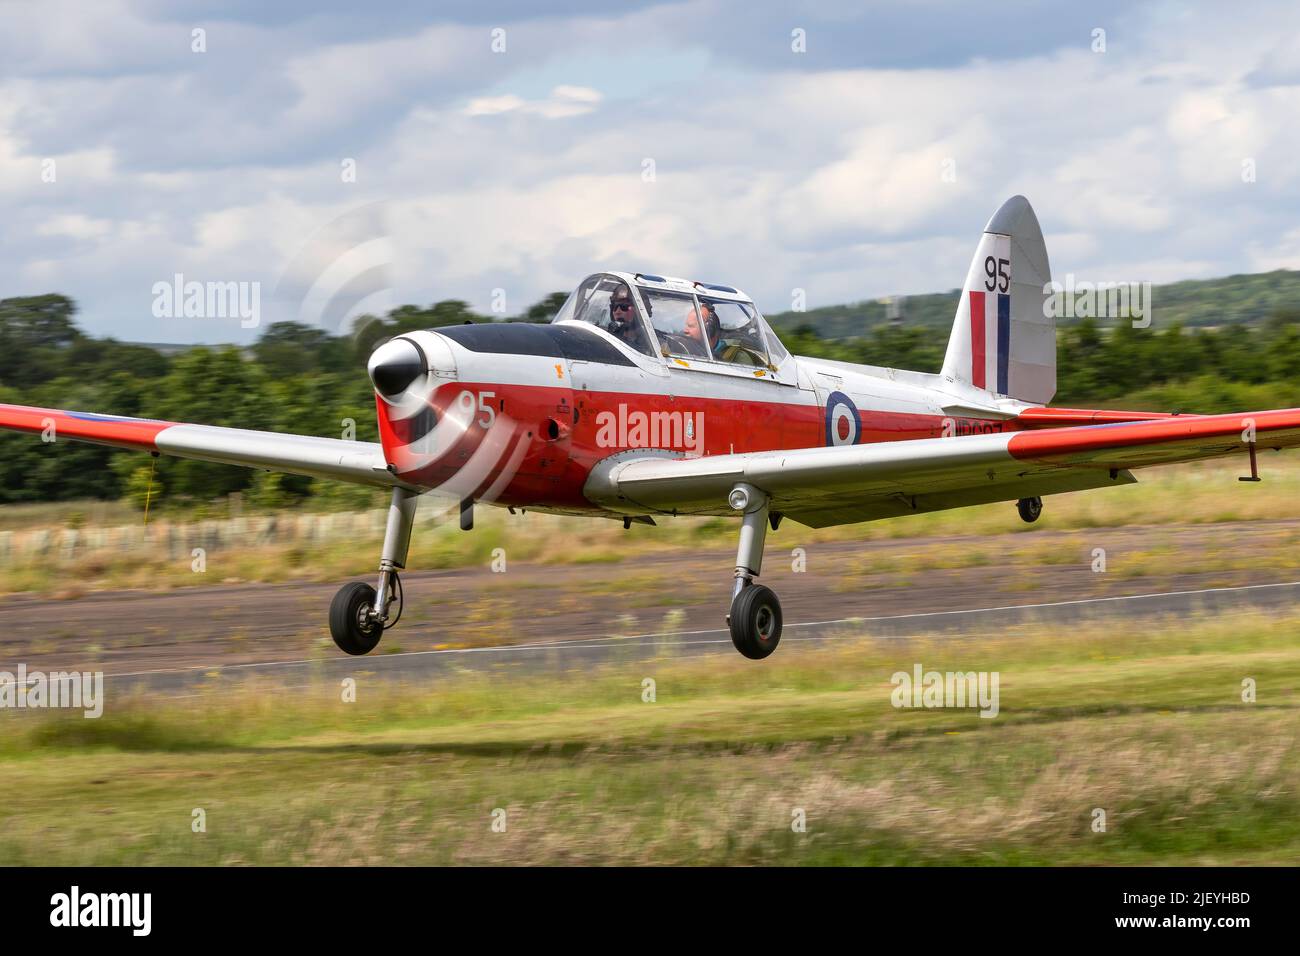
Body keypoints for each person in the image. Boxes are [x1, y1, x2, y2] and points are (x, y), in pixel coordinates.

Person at [607, 286, 649, 353]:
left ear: (639, 309)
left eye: (624, 306)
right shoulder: (604, 338)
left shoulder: (654, 343)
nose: (618, 312)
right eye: (614, 306)